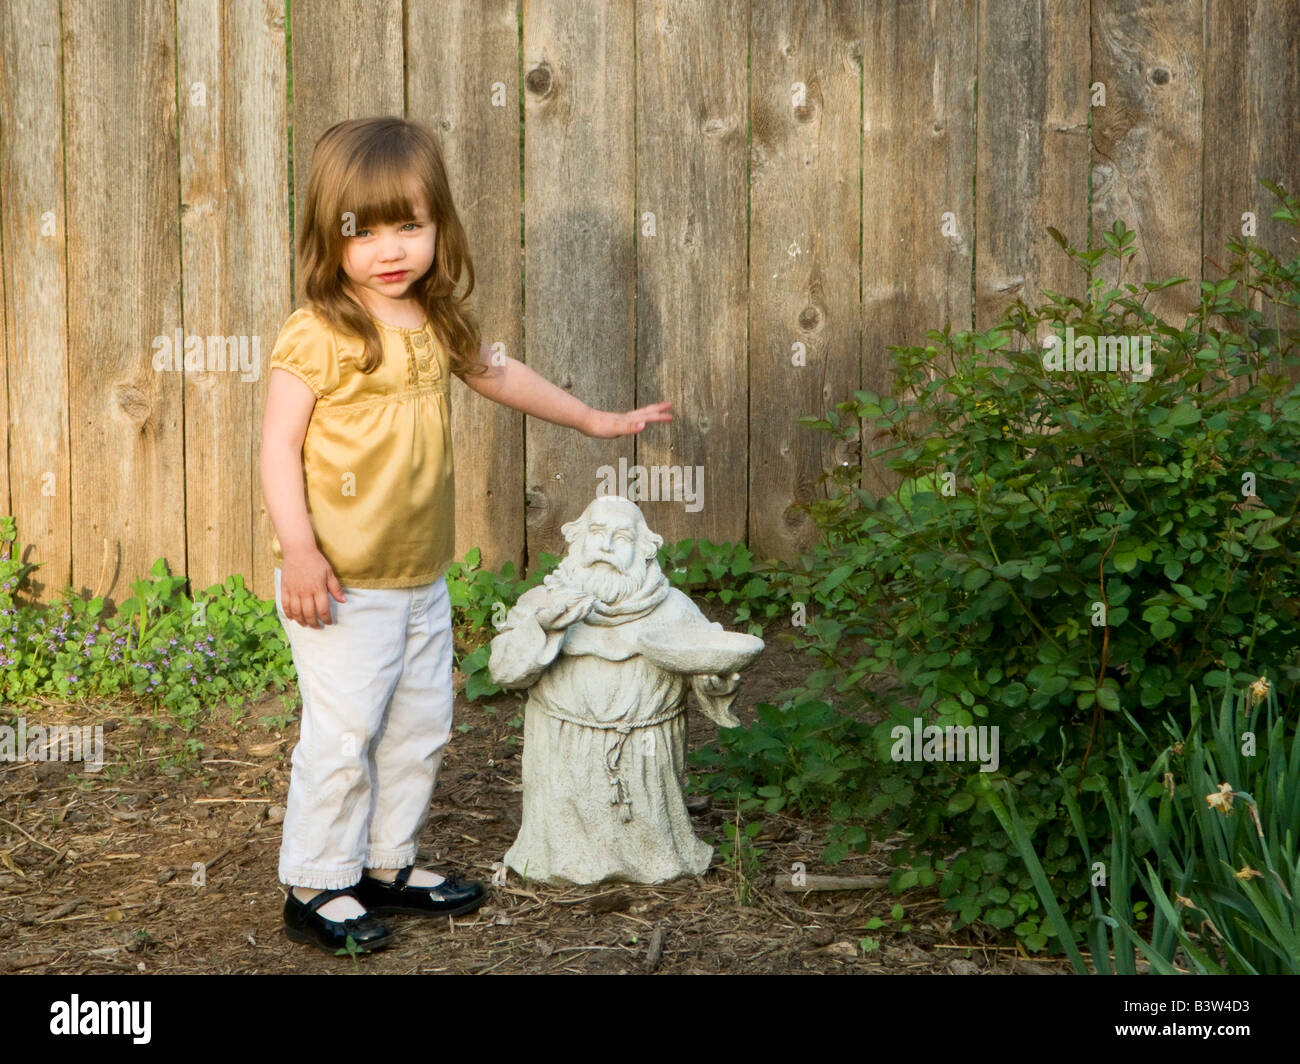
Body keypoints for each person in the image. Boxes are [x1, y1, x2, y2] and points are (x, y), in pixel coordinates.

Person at [260, 116, 672, 954]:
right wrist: (300, 550)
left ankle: (385, 864)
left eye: (409, 225)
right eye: (364, 230)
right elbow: (276, 447)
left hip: (419, 578)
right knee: (343, 736)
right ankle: (314, 881)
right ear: (328, 236)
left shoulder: (436, 318)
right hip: (341, 581)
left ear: (439, 224)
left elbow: (498, 372)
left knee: (421, 724)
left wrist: (592, 419)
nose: (389, 249)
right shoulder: (321, 332)